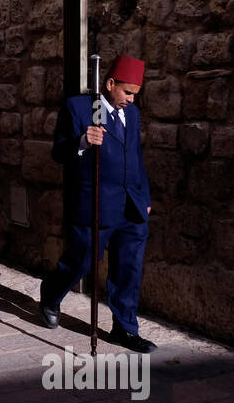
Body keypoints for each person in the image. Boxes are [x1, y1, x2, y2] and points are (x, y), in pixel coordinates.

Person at [38, 55, 155, 353]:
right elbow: (59, 153)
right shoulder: (78, 108)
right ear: (110, 83)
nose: (130, 99)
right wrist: (82, 141)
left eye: (134, 94)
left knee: (128, 268)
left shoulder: (133, 114)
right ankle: (52, 292)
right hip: (95, 204)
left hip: (131, 206)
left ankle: (124, 328)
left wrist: (145, 198)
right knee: (82, 260)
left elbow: (136, 158)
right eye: (127, 92)